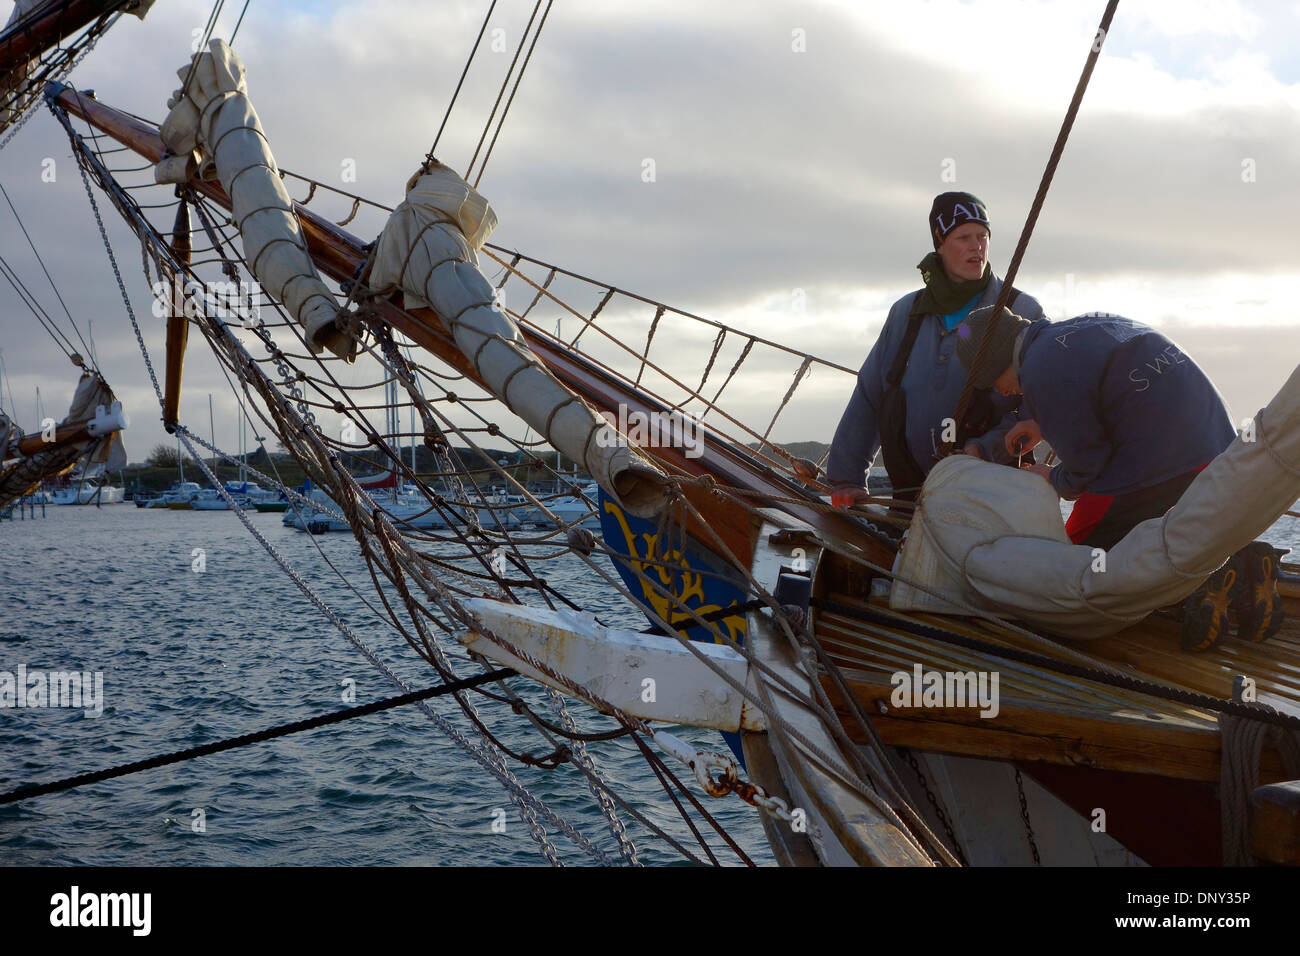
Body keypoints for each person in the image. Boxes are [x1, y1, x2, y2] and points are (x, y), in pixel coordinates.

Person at [954, 307, 1285, 650]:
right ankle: (1246, 562)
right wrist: (1042, 423)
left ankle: (1206, 582)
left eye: (992, 381)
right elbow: (1108, 392)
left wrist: (1052, 479)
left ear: (997, 359)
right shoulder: (1081, 328)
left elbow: (1087, 465)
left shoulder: (1039, 369)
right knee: (1182, 526)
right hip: (1213, 446)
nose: (1000, 391)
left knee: (1081, 565)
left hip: (1155, 459)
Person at [825, 191, 1044, 506]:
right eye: (963, 237)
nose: (976, 246)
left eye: (983, 236)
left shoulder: (1022, 310)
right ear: (939, 244)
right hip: (909, 498)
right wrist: (846, 479)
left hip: (990, 498)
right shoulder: (906, 313)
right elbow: (870, 395)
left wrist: (984, 450)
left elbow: (1039, 406)